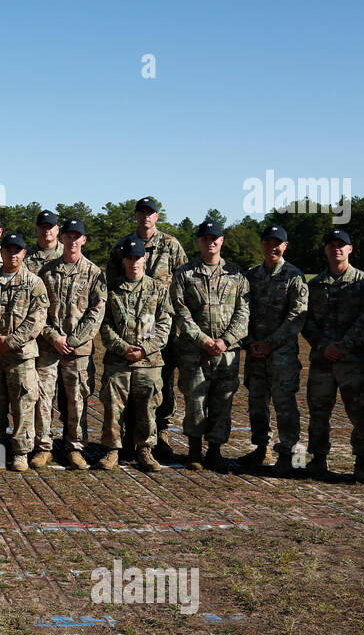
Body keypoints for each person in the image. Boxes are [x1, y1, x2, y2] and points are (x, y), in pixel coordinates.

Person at [106, 197, 188, 460]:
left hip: (161, 323)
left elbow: (182, 281)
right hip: (128, 318)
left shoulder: (171, 245)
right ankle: (128, 439)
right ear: (136, 216)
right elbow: (111, 285)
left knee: (160, 383)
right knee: (127, 384)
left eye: (150, 213)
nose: (146, 217)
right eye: (141, 212)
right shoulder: (122, 247)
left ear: (157, 216)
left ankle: (159, 433)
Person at [169, 219, 250, 472]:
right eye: (205, 238)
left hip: (227, 351)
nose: (210, 241)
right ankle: (194, 452)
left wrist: (225, 340)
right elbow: (180, 312)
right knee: (195, 401)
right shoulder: (185, 274)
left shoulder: (236, 274)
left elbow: (244, 311)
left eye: (215, 237)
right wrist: (203, 340)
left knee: (222, 402)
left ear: (222, 241)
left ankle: (215, 450)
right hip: (194, 351)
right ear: (199, 242)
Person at [301, 229, 364, 482]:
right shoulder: (314, 285)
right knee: (318, 411)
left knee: (360, 412)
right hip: (322, 360)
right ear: (325, 250)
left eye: (341, 245)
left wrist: (343, 346)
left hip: (353, 361)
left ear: (350, 249)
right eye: (331, 245)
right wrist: (325, 346)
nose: (336, 248)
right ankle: (318, 458)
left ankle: (362, 461)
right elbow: (306, 320)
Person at [97, 235, 173, 471]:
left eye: (137, 257)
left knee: (147, 406)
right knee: (113, 406)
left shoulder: (158, 289)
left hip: (149, 361)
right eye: (129, 258)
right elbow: (105, 324)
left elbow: (165, 324)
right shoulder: (112, 289)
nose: (133, 262)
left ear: (145, 258)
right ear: (123, 260)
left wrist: (145, 349)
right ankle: (112, 451)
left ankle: (145, 450)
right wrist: (123, 348)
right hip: (118, 360)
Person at [35, 217, 106, 469]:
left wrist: (73, 340)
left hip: (79, 349)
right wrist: (54, 337)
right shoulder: (47, 271)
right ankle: (44, 447)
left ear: (83, 240)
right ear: (61, 238)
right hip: (49, 346)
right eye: (69, 235)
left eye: (77, 236)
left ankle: (75, 448)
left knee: (77, 399)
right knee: (43, 398)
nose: (73, 240)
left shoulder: (95, 273)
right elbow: (38, 310)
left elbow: (96, 312)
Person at [0, 233, 47, 471]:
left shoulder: (34, 283)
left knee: (23, 404)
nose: (12, 254)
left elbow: (37, 318)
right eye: (8, 250)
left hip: (21, 356)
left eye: (17, 250)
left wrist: (13, 341)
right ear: (1, 252)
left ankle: (20, 453)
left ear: (24, 254)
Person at [242, 224, 308, 475]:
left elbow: (296, 316)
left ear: (285, 246)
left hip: (281, 353)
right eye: (268, 242)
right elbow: (242, 311)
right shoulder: (251, 276)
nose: (272, 247)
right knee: (257, 402)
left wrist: (270, 343)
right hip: (255, 351)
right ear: (262, 245)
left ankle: (289, 454)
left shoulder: (294, 276)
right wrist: (251, 343)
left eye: (277, 243)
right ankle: (261, 448)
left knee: (284, 404)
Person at [25, 210, 63, 274]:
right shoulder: (25, 256)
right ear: (36, 230)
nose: (46, 230)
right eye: (43, 227)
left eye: (50, 227)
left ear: (57, 230)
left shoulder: (67, 253)